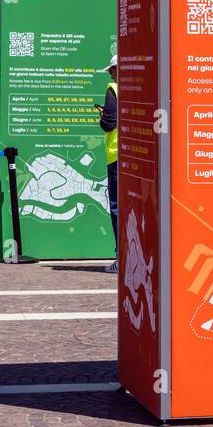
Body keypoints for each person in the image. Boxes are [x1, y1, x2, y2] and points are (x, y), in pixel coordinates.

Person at [100, 56, 119, 271]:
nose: (109, 75)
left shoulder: (113, 89)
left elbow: (109, 123)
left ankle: (121, 256)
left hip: (116, 155)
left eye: (110, 70)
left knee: (117, 207)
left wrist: (102, 118)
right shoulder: (142, 85)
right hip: (136, 155)